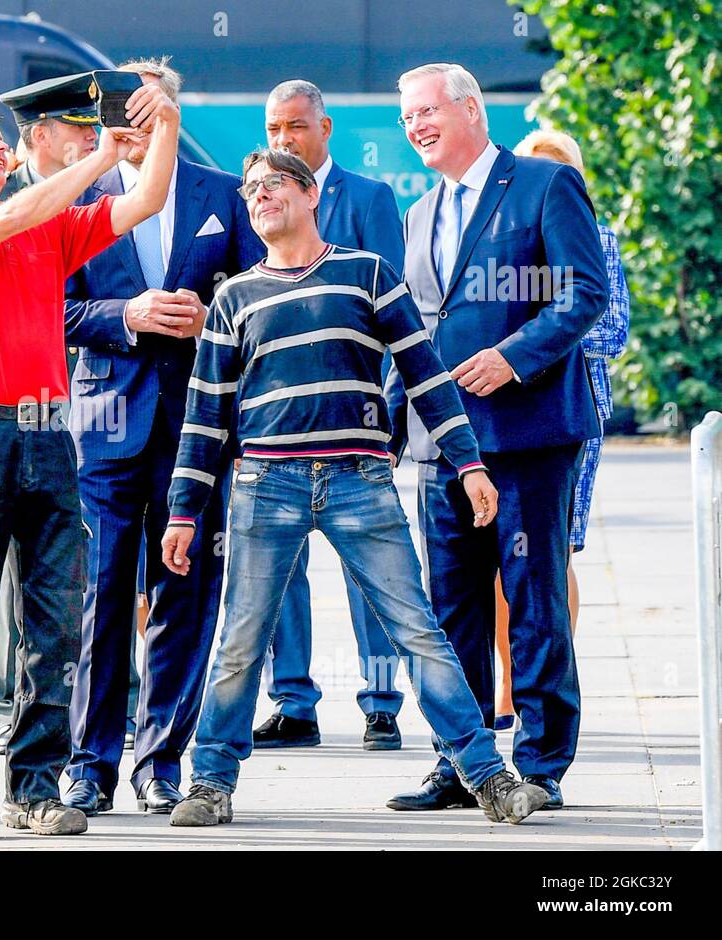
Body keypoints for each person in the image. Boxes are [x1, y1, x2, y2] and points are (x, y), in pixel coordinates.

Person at [162, 148, 549, 828]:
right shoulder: (232, 298)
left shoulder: (367, 274)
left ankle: (488, 776)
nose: (258, 196)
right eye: (250, 189)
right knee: (241, 640)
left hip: (361, 481)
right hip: (263, 486)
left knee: (419, 633)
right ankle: (210, 784)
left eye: (274, 184)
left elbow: (426, 376)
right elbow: (205, 415)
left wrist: (469, 462)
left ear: (312, 195)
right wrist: (183, 513)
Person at [0, 83, 180, 839]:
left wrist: (166, 125)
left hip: (49, 433)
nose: (2, 146)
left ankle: (33, 786)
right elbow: (17, 213)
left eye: (2, 137)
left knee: (56, 625)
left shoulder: (47, 225)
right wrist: (98, 157)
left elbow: (148, 199)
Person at [384, 64, 608, 814]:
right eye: (406, 116)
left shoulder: (544, 187)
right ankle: (465, 763)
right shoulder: (418, 217)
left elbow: (585, 292)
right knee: (450, 611)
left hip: (527, 436)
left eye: (426, 111)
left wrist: (515, 356)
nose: (414, 125)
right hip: (442, 446)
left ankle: (541, 767)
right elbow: (411, 333)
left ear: (471, 109)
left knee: (532, 600)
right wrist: (391, 427)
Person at [60, 58, 263, 816]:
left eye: (152, 107)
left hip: (197, 428)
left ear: (173, 112)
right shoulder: (80, 195)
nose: (137, 119)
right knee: (104, 594)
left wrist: (215, 321)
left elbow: (257, 300)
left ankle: (161, 760)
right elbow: (52, 312)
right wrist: (126, 316)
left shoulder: (223, 196)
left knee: (187, 592)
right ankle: (90, 763)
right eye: (124, 106)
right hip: (106, 427)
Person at [256, 78, 408, 751]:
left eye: (294, 126)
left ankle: (381, 703)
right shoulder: (258, 195)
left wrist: (392, 419)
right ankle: (294, 703)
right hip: (279, 429)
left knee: (370, 569)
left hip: (355, 424)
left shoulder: (370, 200)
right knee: (280, 572)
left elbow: (397, 318)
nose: (282, 140)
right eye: (273, 130)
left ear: (325, 129)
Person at [491, 129, 631, 733]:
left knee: (554, 551)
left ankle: (546, 684)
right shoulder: (495, 239)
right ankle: (505, 683)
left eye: (556, 170)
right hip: (498, 412)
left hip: (571, 414)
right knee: (498, 557)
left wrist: (530, 343)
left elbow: (610, 330)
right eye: (531, 168)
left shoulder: (596, 240)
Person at [0, 72, 103, 756]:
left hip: (67, 409)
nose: (90, 138)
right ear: (38, 136)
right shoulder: (1, 201)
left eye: (92, 130)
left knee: (62, 581)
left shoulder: (95, 194)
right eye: (77, 129)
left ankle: (65, 716)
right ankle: (2, 705)